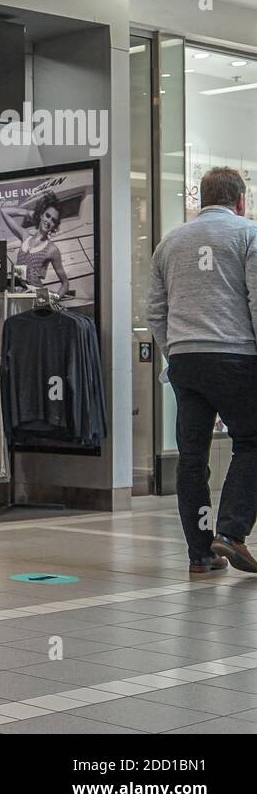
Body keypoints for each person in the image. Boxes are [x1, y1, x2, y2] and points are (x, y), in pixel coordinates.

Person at [147, 166, 257, 576]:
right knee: (251, 442)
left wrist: (173, 352)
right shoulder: (248, 234)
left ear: (200, 198)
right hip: (235, 357)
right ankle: (230, 532)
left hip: (185, 361)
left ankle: (201, 554)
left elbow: (155, 311)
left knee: (191, 458)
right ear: (241, 200)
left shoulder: (169, 242)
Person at [0, 192, 70, 297]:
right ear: (41, 215)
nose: (49, 221)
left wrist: (53, 301)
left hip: (36, 297)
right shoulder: (25, 236)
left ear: (54, 226)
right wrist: (28, 213)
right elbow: (4, 211)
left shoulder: (52, 249)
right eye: (47, 216)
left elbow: (65, 284)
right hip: (16, 294)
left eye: (53, 220)